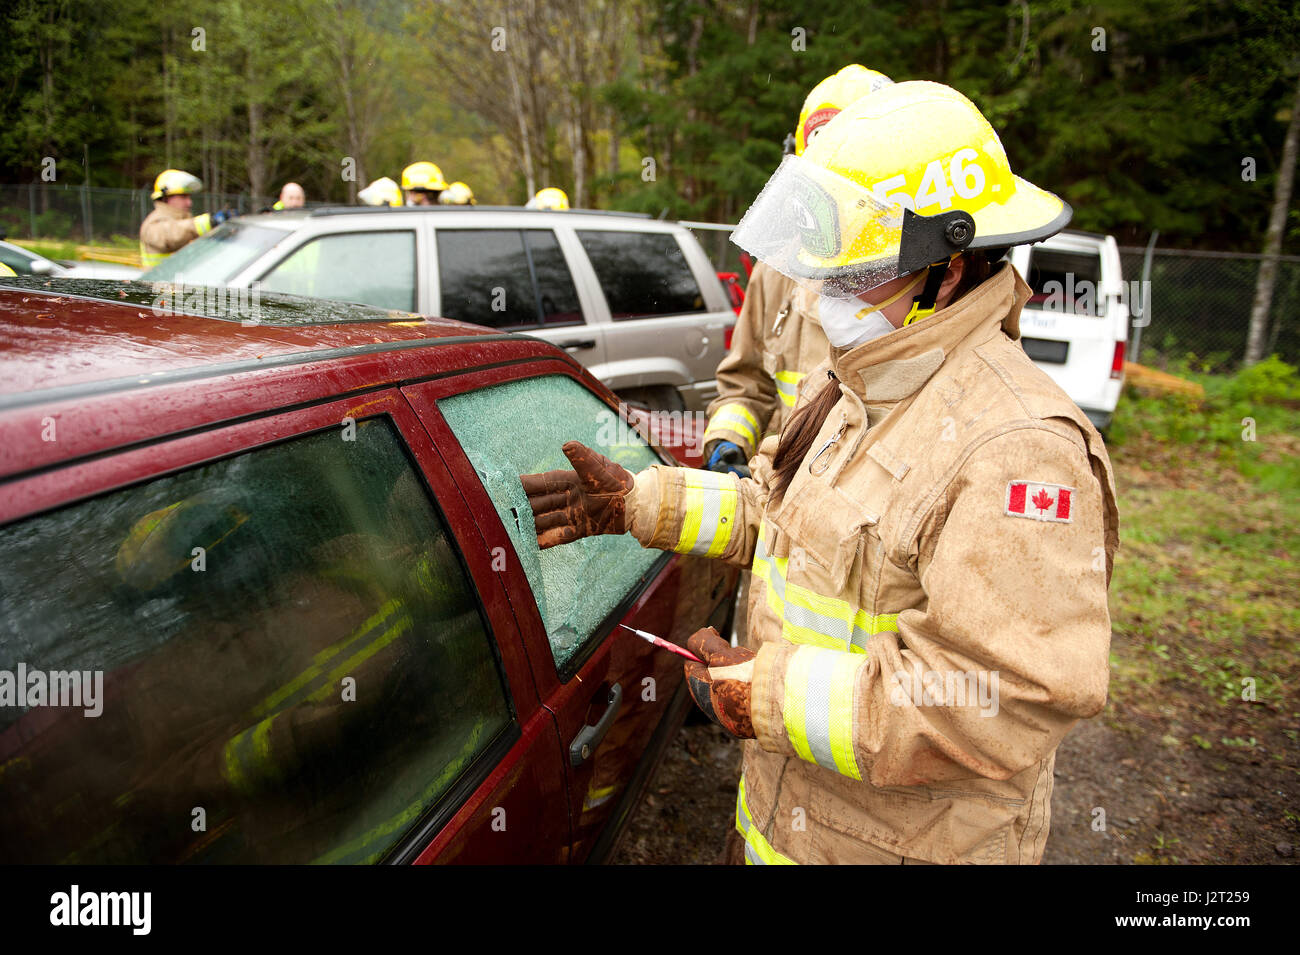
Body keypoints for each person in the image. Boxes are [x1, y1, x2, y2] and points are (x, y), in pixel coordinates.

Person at [519, 80, 1119, 865]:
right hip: (790, 825)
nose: (812, 295)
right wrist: (645, 501)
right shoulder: (868, 383)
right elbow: (785, 516)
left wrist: (772, 695)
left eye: (846, 271)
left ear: (948, 266)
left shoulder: (1017, 446)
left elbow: (1004, 695)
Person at [703, 65, 894, 479]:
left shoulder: (917, 284)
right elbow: (746, 380)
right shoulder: (777, 271)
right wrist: (728, 443)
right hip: (774, 493)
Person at [139, 169, 230, 269]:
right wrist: (210, 222)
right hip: (159, 283)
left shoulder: (183, 221)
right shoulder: (153, 223)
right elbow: (171, 234)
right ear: (166, 198)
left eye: (189, 197)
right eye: (183, 197)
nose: (189, 203)